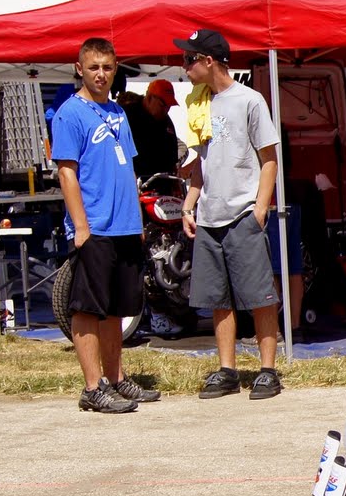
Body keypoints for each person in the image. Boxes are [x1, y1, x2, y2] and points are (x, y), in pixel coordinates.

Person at [50, 37, 160, 414]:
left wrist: (137, 219)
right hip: (94, 226)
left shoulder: (117, 113)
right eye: (94, 67)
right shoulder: (70, 113)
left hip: (124, 226)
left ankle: (117, 379)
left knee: (117, 308)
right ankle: (92, 386)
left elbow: (128, 169)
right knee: (88, 308)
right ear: (80, 68)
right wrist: (81, 226)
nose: (101, 74)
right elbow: (67, 174)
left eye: (108, 67)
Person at [174, 27, 283, 400]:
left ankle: (268, 369)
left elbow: (269, 160)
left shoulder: (249, 101)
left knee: (259, 296)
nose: (184, 65)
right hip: (209, 215)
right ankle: (227, 370)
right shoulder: (198, 104)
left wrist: (260, 209)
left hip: (242, 214)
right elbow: (201, 163)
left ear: (209, 61)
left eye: (189, 59)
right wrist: (190, 203)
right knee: (217, 298)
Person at [125, 78, 179, 180]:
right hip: (134, 184)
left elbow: (172, 157)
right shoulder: (127, 116)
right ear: (149, 98)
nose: (166, 110)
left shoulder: (166, 122)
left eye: (169, 106)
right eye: (163, 105)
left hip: (162, 184)